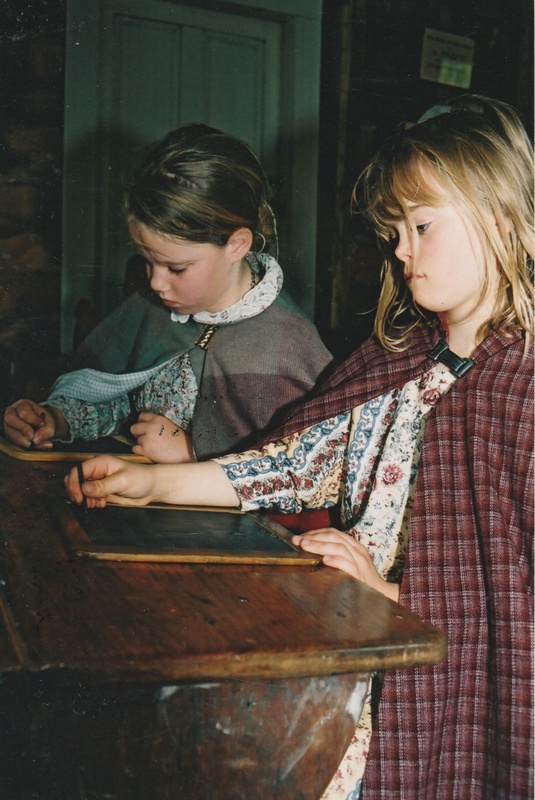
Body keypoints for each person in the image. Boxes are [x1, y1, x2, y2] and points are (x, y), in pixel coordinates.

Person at [65, 95, 533, 799]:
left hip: (444, 693)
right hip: (348, 662)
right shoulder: (398, 360)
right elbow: (292, 463)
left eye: (420, 226)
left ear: (498, 218)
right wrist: (157, 485)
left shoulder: (523, 386)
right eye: (394, 230)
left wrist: (389, 592)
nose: (400, 249)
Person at [3, 124, 333, 462]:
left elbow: (302, 467)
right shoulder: (157, 306)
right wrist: (55, 419)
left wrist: (193, 452)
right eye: (146, 261)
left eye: (176, 269)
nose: (156, 283)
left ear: (236, 245)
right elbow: (120, 401)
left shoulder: (285, 344)